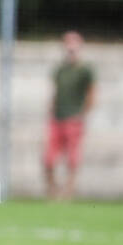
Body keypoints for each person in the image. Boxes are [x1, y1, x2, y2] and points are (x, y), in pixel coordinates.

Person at [43, 30, 94, 201]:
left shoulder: (85, 70)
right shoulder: (60, 70)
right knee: (48, 159)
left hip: (74, 119)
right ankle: (53, 193)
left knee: (72, 159)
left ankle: (68, 194)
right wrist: (51, 111)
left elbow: (92, 94)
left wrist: (81, 114)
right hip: (57, 119)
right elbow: (55, 94)